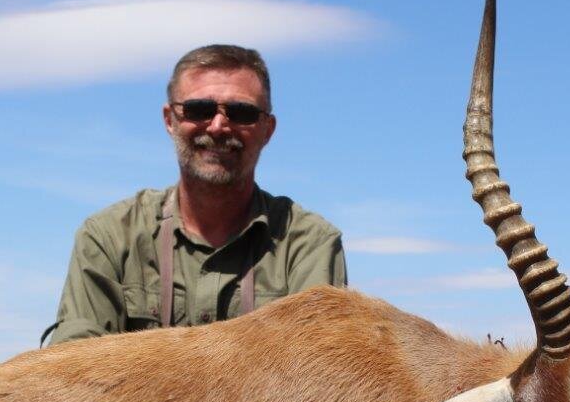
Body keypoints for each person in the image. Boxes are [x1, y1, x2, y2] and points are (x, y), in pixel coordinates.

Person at [44, 44, 346, 345]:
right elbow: (73, 366)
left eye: (242, 113)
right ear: (170, 120)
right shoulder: (108, 237)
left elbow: (317, 367)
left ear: (268, 129)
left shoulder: (310, 244)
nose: (218, 126)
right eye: (199, 110)